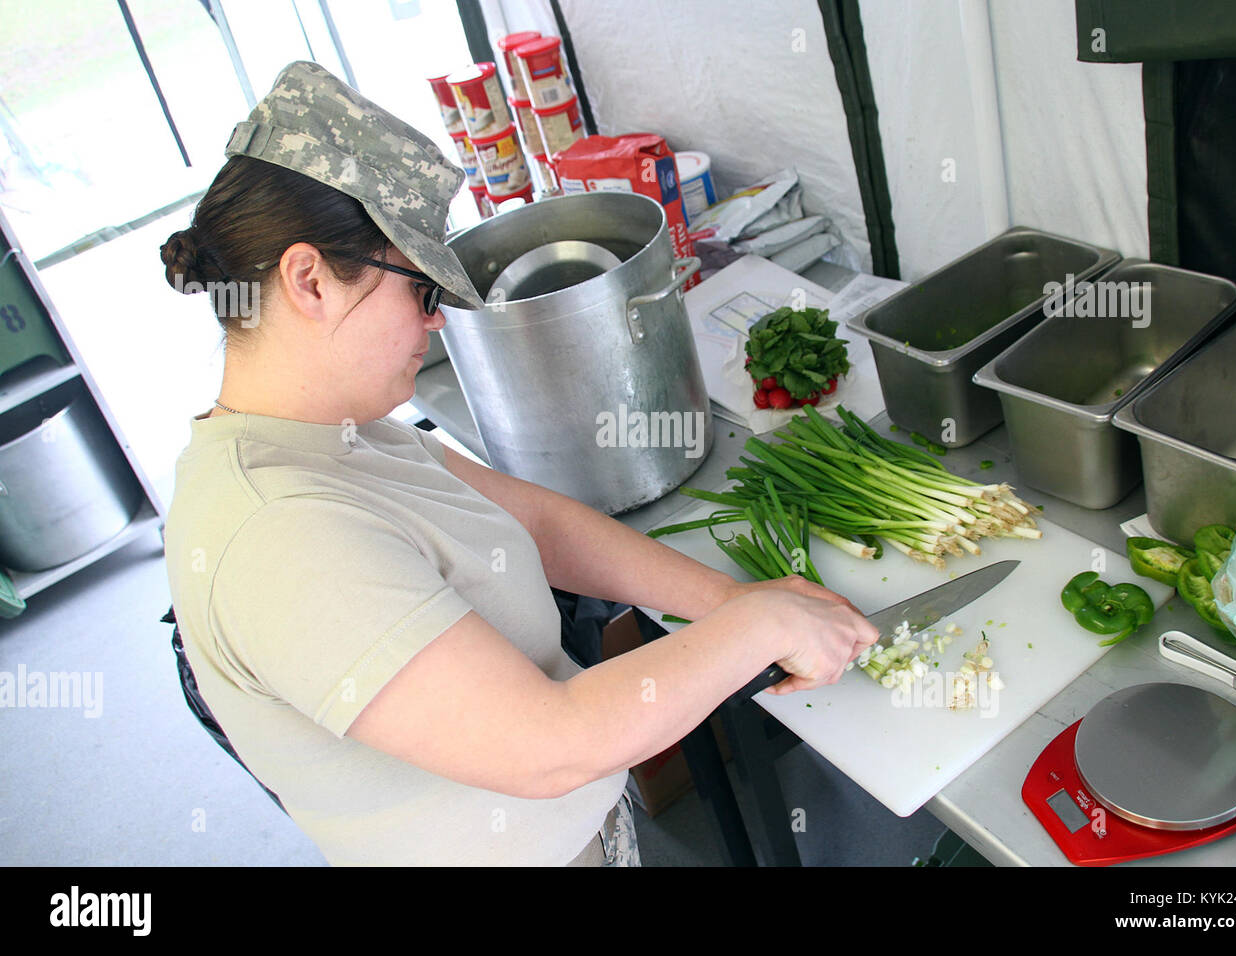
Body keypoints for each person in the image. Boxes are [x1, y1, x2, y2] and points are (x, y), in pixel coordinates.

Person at [160, 60, 878, 867]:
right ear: (310, 281)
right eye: (422, 294)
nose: (434, 326)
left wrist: (724, 598)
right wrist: (762, 625)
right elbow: (548, 745)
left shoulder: (336, 432)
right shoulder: (276, 535)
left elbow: (531, 522)